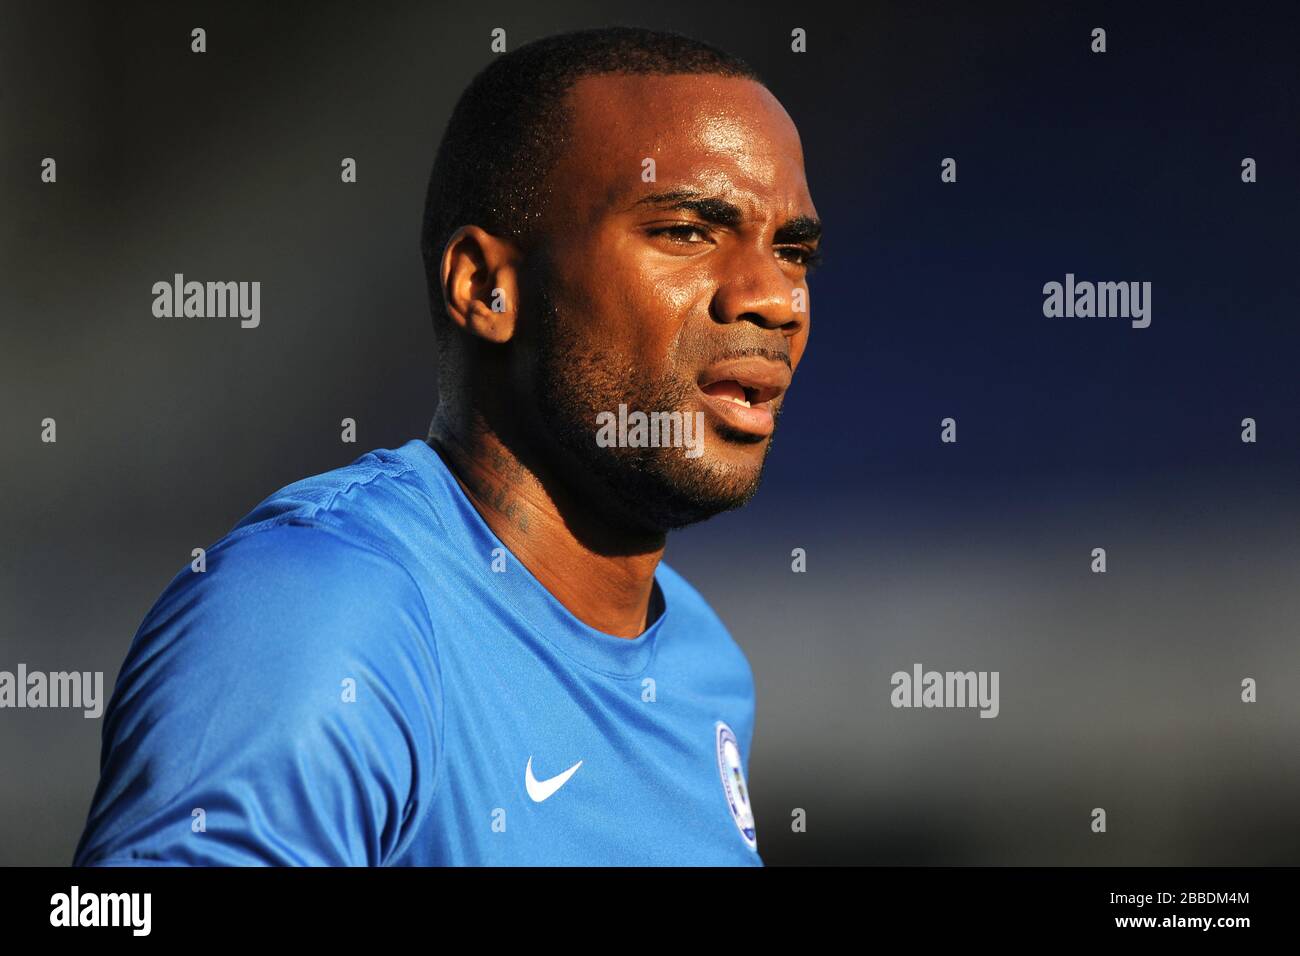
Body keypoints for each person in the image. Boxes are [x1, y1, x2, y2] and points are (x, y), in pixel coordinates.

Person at [74, 25, 821, 866]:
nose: (776, 298)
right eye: (686, 231)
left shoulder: (703, 664)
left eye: (793, 250)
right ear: (486, 287)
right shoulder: (319, 611)